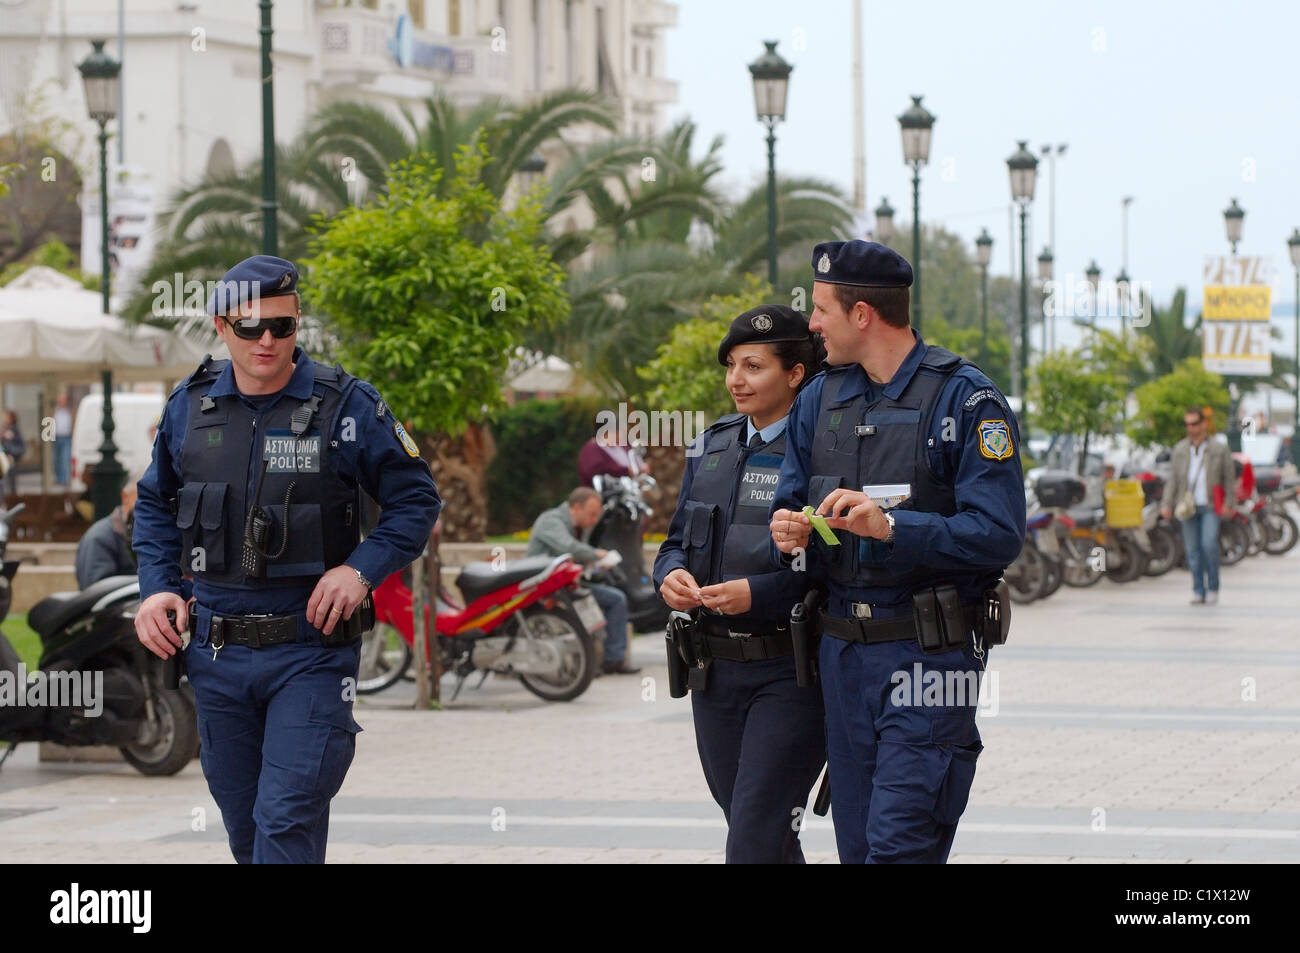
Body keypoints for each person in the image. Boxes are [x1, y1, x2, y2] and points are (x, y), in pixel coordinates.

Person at [132, 254, 441, 864]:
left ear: (299, 323)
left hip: (312, 653)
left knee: (283, 822)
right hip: (216, 655)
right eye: (250, 327)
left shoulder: (348, 406)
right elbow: (153, 503)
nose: (268, 340)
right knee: (250, 837)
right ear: (221, 327)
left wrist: (360, 570)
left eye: (283, 325)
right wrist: (156, 587)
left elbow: (415, 500)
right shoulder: (189, 409)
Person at [769, 240, 1026, 864]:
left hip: (928, 660)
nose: (811, 323)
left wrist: (892, 529)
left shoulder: (965, 401)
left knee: (898, 847)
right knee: (857, 850)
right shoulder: (818, 401)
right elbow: (790, 502)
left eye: (822, 308)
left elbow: (998, 533)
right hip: (840, 659)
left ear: (862, 315)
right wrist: (790, 535)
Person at [653, 305, 827, 864]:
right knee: (765, 834)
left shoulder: (823, 447)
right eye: (731, 365)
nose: (736, 380)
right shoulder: (712, 444)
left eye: (753, 366)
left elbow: (838, 562)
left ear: (795, 372)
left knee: (753, 835)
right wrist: (669, 576)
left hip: (789, 672)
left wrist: (763, 592)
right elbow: (675, 540)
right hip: (712, 670)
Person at [526, 488, 640, 674]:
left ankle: (614, 660)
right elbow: (570, 548)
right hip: (545, 587)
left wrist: (595, 564)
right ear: (577, 507)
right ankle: (586, 665)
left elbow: (575, 557)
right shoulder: (551, 520)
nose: (595, 520)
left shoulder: (579, 528)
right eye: (592, 514)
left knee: (616, 599)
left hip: (567, 585)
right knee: (585, 601)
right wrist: (597, 555)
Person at [1161, 406, 1234, 605]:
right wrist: (1166, 504)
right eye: (1187, 424)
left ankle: (1213, 587)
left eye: (1194, 423)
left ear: (1203, 424)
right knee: (1192, 550)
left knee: (1209, 545)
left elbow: (1229, 478)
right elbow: (1173, 480)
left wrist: (1229, 502)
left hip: (1210, 505)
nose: (1190, 428)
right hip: (1187, 506)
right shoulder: (1180, 449)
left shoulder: (1219, 449)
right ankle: (1197, 589)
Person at [75, 470, 141, 588]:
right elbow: (96, 591)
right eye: (145, 497)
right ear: (125, 496)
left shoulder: (142, 531)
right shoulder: (99, 538)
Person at [1, 410, 24, 499]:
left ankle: (10, 502)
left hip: (10, 460)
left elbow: (21, 447)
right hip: (3, 460)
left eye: (6, 417)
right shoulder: (4, 429)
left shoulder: (14, 430)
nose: (4, 419)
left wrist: (12, 455)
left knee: (10, 485)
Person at [54, 394, 73, 487]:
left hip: (66, 437)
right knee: (56, 459)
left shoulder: (69, 411)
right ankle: (58, 478)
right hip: (56, 437)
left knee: (64, 458)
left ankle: (64, 479)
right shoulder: (54, 411)